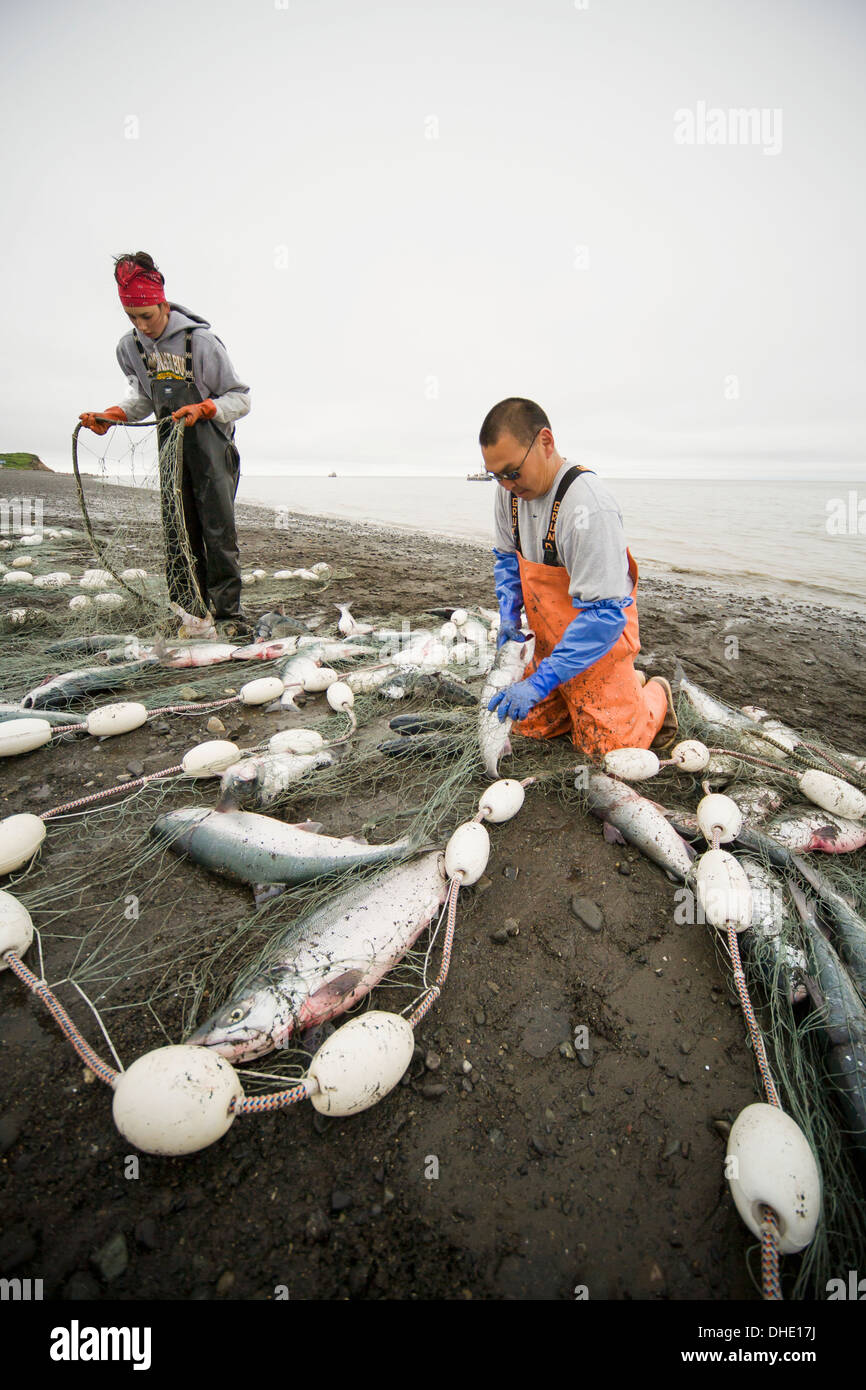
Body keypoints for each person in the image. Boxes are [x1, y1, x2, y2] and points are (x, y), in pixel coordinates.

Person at [479, 397, 677, 760]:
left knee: (607, 751)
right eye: (496, 476)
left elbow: (605, 616)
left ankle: (654, 695)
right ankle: (595, 697)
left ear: (545, 442)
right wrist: (508, 614)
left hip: (599, 646)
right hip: (548, 643)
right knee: (528, 726)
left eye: (512, 472)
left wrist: (541, 682)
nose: (506, 484)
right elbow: (507, 560)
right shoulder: (508, 495)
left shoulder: (589, 508)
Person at [79, 251, 251, 632]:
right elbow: (143, 398)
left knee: (218, 532)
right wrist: (114, 415)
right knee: (178, 530)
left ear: (163, 304)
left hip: (212, 449)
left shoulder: (201, 342)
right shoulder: (129, 348)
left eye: (147, 316)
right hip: (171, 450)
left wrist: (206, 408)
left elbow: (240, 399)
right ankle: (190, 612)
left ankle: (228, 614)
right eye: (132, 317)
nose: (142, 326)